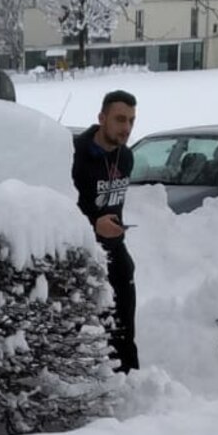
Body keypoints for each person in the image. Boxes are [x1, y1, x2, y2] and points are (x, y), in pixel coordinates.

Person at [72, 90, 139, 372]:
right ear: (102, 118)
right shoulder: (75, 154)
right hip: (77, 252)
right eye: (120, 119)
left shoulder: (126, 157)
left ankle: (128, 374)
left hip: (113, 248)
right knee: (73, 324)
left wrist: (113, 227)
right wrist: (93, 222)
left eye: (132, 120)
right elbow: (60, 204)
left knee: (123, 322)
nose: (127, 127)